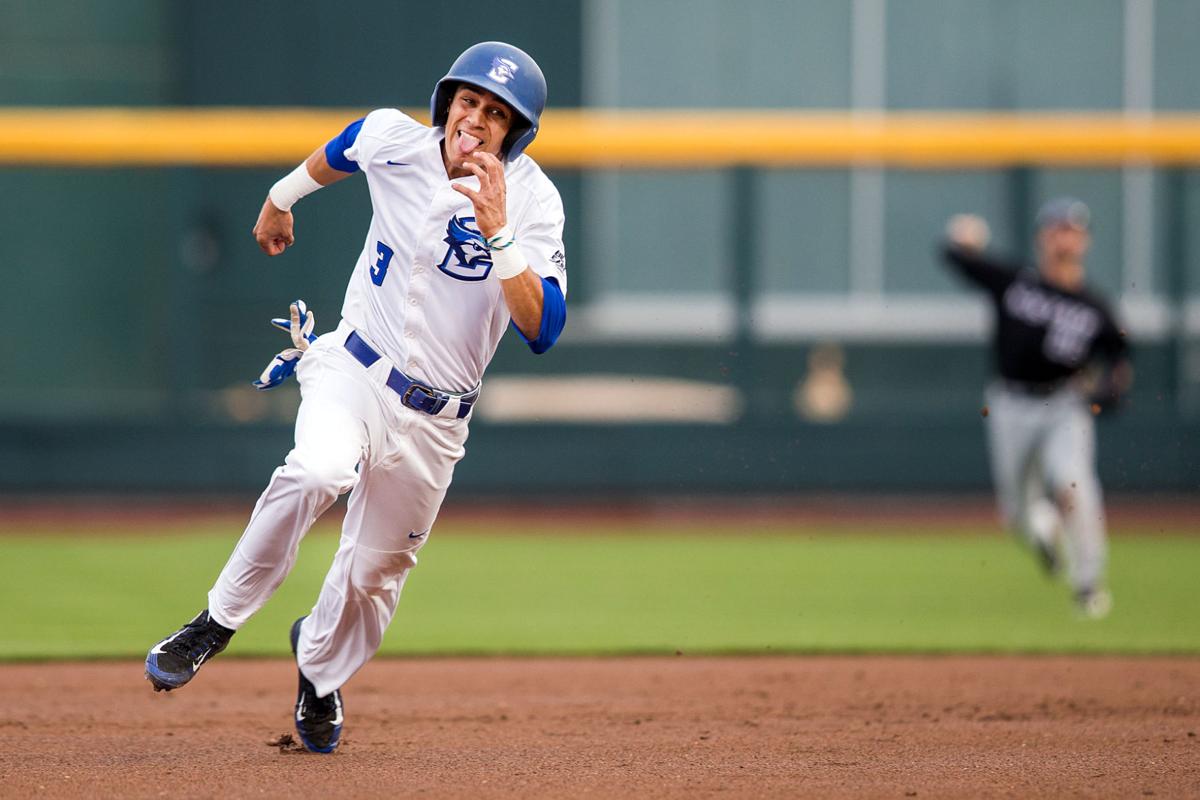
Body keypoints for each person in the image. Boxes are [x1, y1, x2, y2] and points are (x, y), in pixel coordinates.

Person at [144, 41, 567, 753]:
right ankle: (214, 622)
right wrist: (280, 199)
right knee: (317, 469)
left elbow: (543, 328)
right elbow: (341, 150)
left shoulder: (532, 201)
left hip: (438, 420)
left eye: (497, 114)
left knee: (375, 576)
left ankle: (318, 666)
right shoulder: (393, 139)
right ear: (447, 104)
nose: (477, 119)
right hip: (355, 370)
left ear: (514, 132)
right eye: (469, 101)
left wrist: (499, 233)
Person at [941, 198, 1131, 619]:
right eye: (1057, 228)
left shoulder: (1095, 307)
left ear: (1085, 240)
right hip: (1009, 405)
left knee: (1074, 485)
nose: (1064, 236)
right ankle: (1044, 529)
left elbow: (1120, 357)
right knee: (1017, 515)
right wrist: (961, 239)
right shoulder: (1015, 283)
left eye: (1073, 230)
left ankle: (1088, 586)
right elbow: (955, 259)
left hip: (1065, 404)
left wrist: (1112, 386)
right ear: (1042, 237)